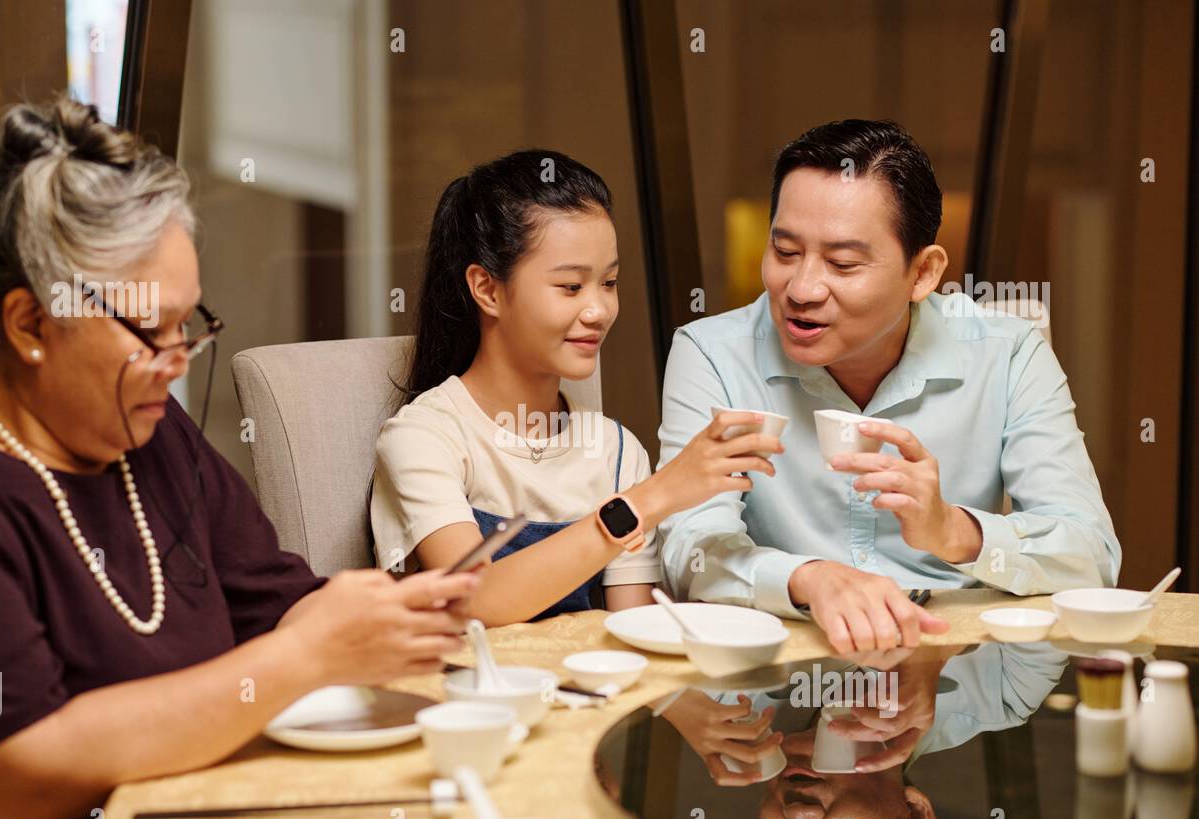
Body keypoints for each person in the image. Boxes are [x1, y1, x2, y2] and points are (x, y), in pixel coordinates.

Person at [0, 98, 476, 819]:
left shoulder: (156, 438)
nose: (179, 360)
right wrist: (307, 657)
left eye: (188, 325)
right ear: (30, 324)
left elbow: (278, 612)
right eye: (149, 331)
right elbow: (19, 775)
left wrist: (367, 616)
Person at [658, 119, 1120, 651]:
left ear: (922, 273)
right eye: (785, 252)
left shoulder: (1008, 353)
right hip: (782, 674)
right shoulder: (713, 353)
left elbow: (1092, 555)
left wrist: (953, 530)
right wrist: (809, 579)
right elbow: (686, 548)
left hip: (958, 663)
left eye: (843, 263)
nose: (802, 288)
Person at [371, 150, 780, 625]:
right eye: (570, 287)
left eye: (609, 282)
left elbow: (631, 634)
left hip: (590, 696)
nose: (599, 310)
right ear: (487, 290)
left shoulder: (616, 451)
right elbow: (476, 601)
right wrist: (654, 497)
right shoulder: (423, 438)